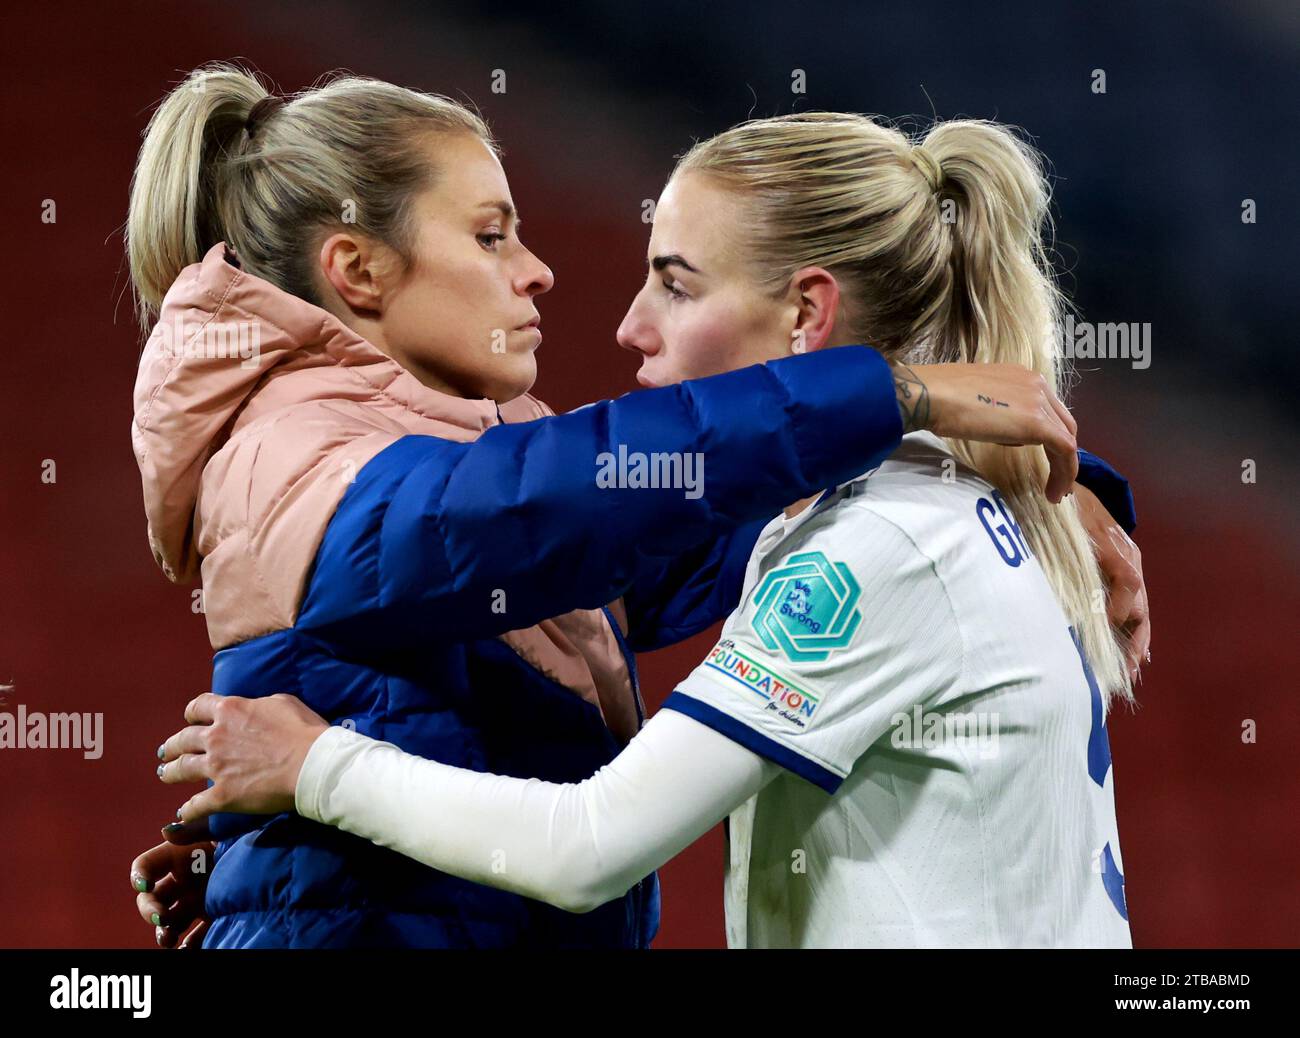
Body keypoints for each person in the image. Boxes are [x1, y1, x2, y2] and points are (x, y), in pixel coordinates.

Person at [157, 112, 1147, 948]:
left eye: (674, 284)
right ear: (358, 269)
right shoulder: (306, 460)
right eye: (492, 235)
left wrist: (1030, 466)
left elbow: (585, 820)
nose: (557, 284)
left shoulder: (872, 538)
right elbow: (555, 506)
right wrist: (265, 854)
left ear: (807, 311)